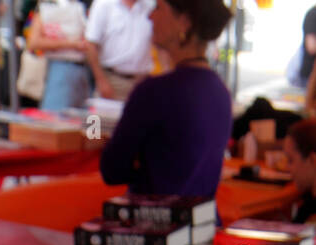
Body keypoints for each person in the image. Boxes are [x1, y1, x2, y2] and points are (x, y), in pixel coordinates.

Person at [99, 0, 232, 198]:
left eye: (158, 8)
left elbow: (112, 169)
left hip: (154, 222)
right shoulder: (220, 91)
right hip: (202, 223)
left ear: (184, 22)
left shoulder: (154, 92)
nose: (150, 16)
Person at [26, 0, 91, 111]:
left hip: (84, 71)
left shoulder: (80, 6)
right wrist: (72, 44)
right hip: (60, 67)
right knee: (54, 118)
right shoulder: (48, 6)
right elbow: (33, 42)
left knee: (80, 122)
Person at [84, 0, 153, 103]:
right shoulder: (104, 4)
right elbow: (90, 45)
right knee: (104, 118)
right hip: (112, 80)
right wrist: (101, 81)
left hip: (143, 82)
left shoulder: (150, 5)